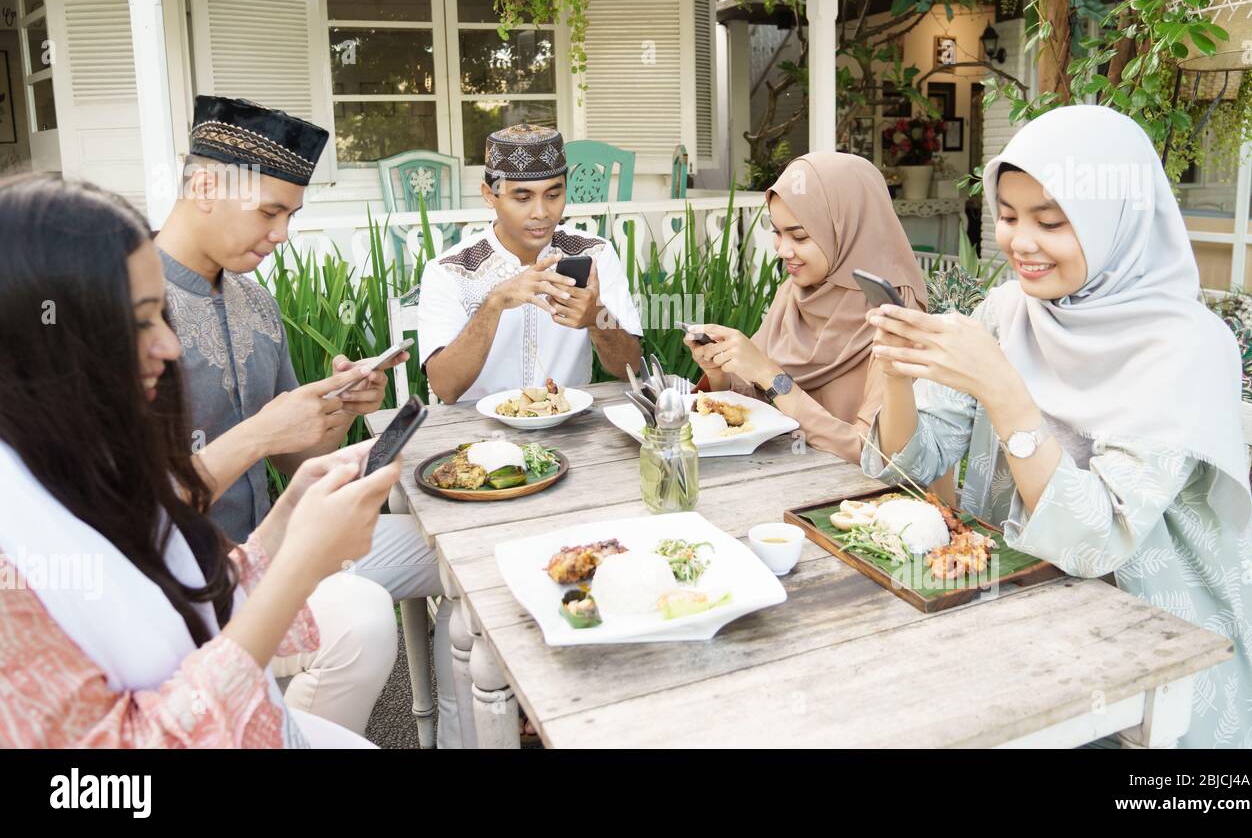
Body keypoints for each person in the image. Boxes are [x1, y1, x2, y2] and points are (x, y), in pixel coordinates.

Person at [866, 104, 1252, 748]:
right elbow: (910, 464)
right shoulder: (1008, 310)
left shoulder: (1185, 348)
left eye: (1051, 221)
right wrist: (899, 373)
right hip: (1015, 613)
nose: (1021, 242)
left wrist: (1004, 391)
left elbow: (1097, 541)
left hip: (1151, 654)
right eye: (1008, 217)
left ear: (1115, 219)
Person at [0, 175, 400, 747]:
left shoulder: (76, 453)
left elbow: (198, 596)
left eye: (160, 314)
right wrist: (301, 563)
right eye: (139, 321)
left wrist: (293, 510)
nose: (167, 346)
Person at [155, 96, 447, 740]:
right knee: (364, 621)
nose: (281, 234)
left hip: (278, 536)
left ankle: (456, 728)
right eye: (269, 211)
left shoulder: (255, 302)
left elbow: (291, 460)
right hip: (186, 579)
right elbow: (121, 507)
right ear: (205, 185)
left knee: (451, 549)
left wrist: (342, 410)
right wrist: (261, 431)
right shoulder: (130, 305)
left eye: (290, 214)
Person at [684, 152, 928, 466]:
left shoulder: (895, 311)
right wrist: (720, 372)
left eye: (799, 236)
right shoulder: (797, 291)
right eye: (777, 232)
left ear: (847, 228)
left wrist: (773, 377)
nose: (783, 250)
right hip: (778, 479)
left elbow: (876, 454)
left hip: (853, 503)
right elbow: (754, 404)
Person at [420, 123, 643, 403]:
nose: (541, 213)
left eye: (553, 195)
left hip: (569, 427)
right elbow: (445, 388)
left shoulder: (594, 254)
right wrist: (495, 302)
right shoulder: (450, 269)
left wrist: (596, 318)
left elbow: (630, 367)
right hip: (480, 435)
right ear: (490, 195)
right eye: (523, 198)